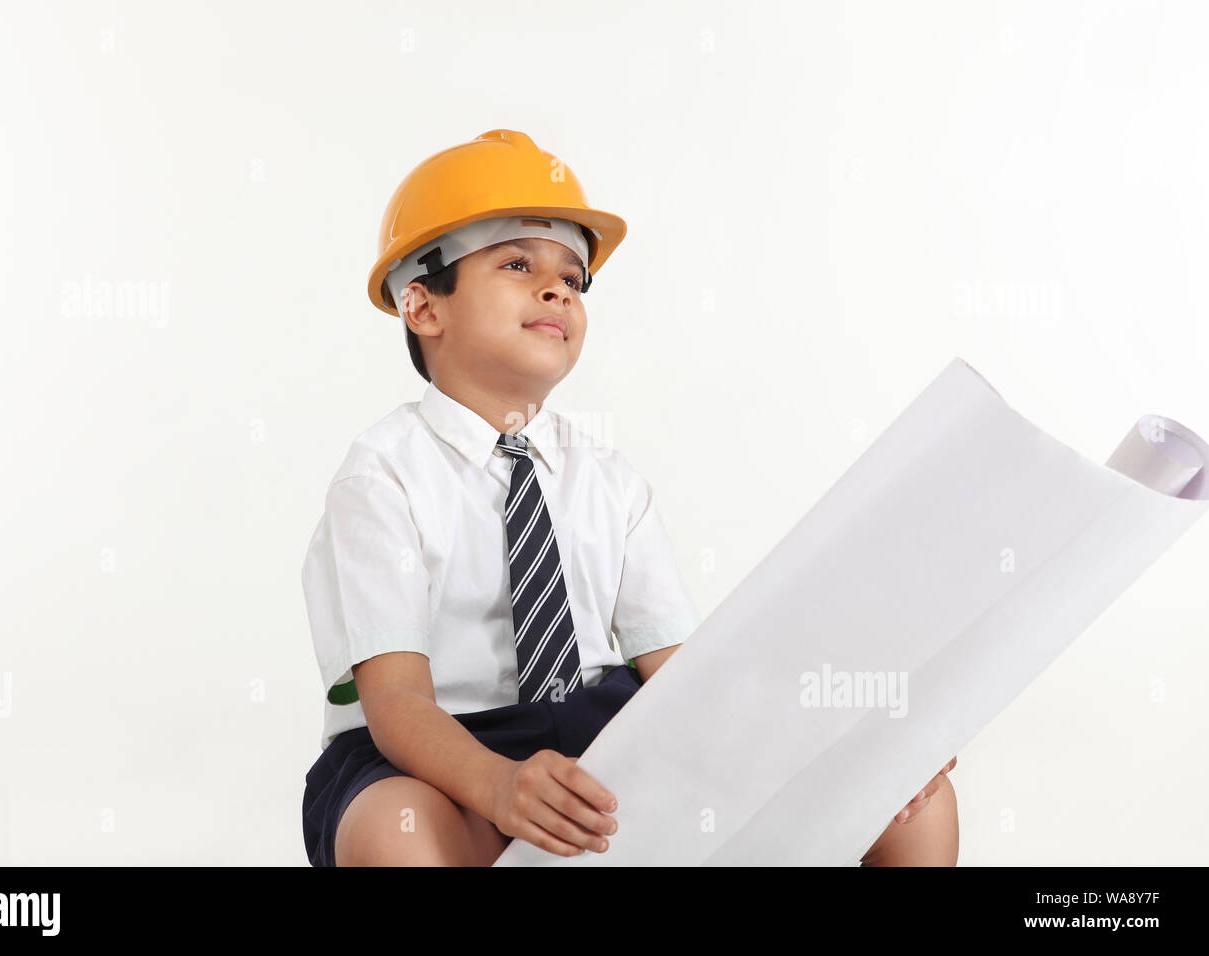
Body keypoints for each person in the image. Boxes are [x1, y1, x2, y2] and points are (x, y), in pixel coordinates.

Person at [299, 129, 957, 866]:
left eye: (574, 280)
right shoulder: (381, 477)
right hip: (438, 752)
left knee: (907, 801)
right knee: (398, 828)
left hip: (595, 733)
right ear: (423, 306)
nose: (557, 289)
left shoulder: (608, 480)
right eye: (518, 263)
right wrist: (497, 786)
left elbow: (685, 677)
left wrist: (843, 739)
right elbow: (398, 704)